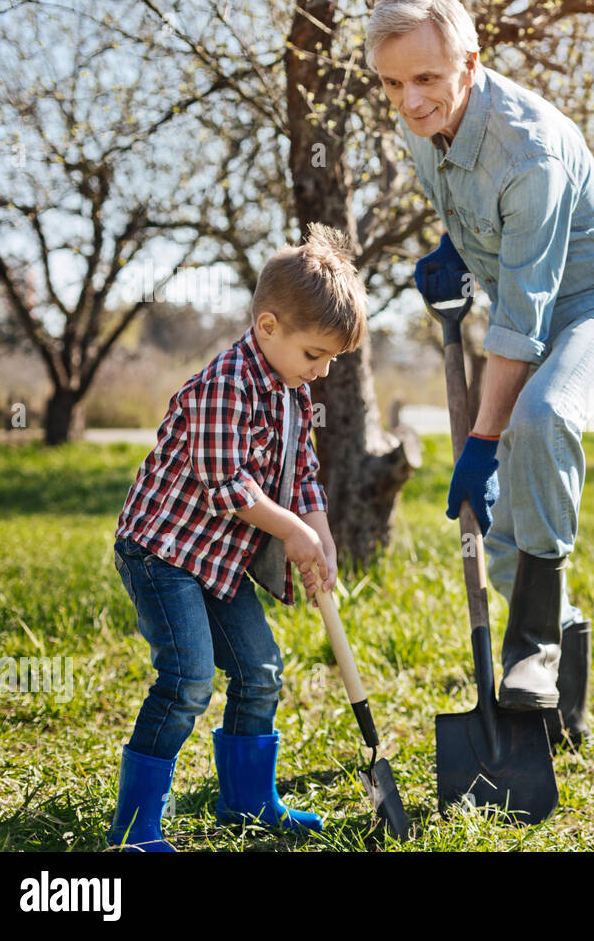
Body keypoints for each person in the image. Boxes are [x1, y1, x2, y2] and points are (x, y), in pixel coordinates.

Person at [366, 0, 594, 747]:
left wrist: (482, 441)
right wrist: (450, 250)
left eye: (426, 79)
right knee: (500, 531)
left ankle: (530, 645)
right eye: (392, 84)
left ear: (470, 62)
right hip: (530, 307)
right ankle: (562, 691)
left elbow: (522, 323)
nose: (409, 100)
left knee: (542, 417)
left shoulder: (529, 150)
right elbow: (466, 212)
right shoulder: (420, 124)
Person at [107, 225, 368, 851]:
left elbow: (301, 473)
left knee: (260, 671)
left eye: (332, 360)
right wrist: (294, 532)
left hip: (219, 563)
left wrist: (321, 538)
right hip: (164, 555)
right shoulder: (225, 383)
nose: (323, 372)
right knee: (189, 678)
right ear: (269, 326)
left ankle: (247, 802)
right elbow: (226, 483)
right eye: (315, 355)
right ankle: (136, 827)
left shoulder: (294, 394)